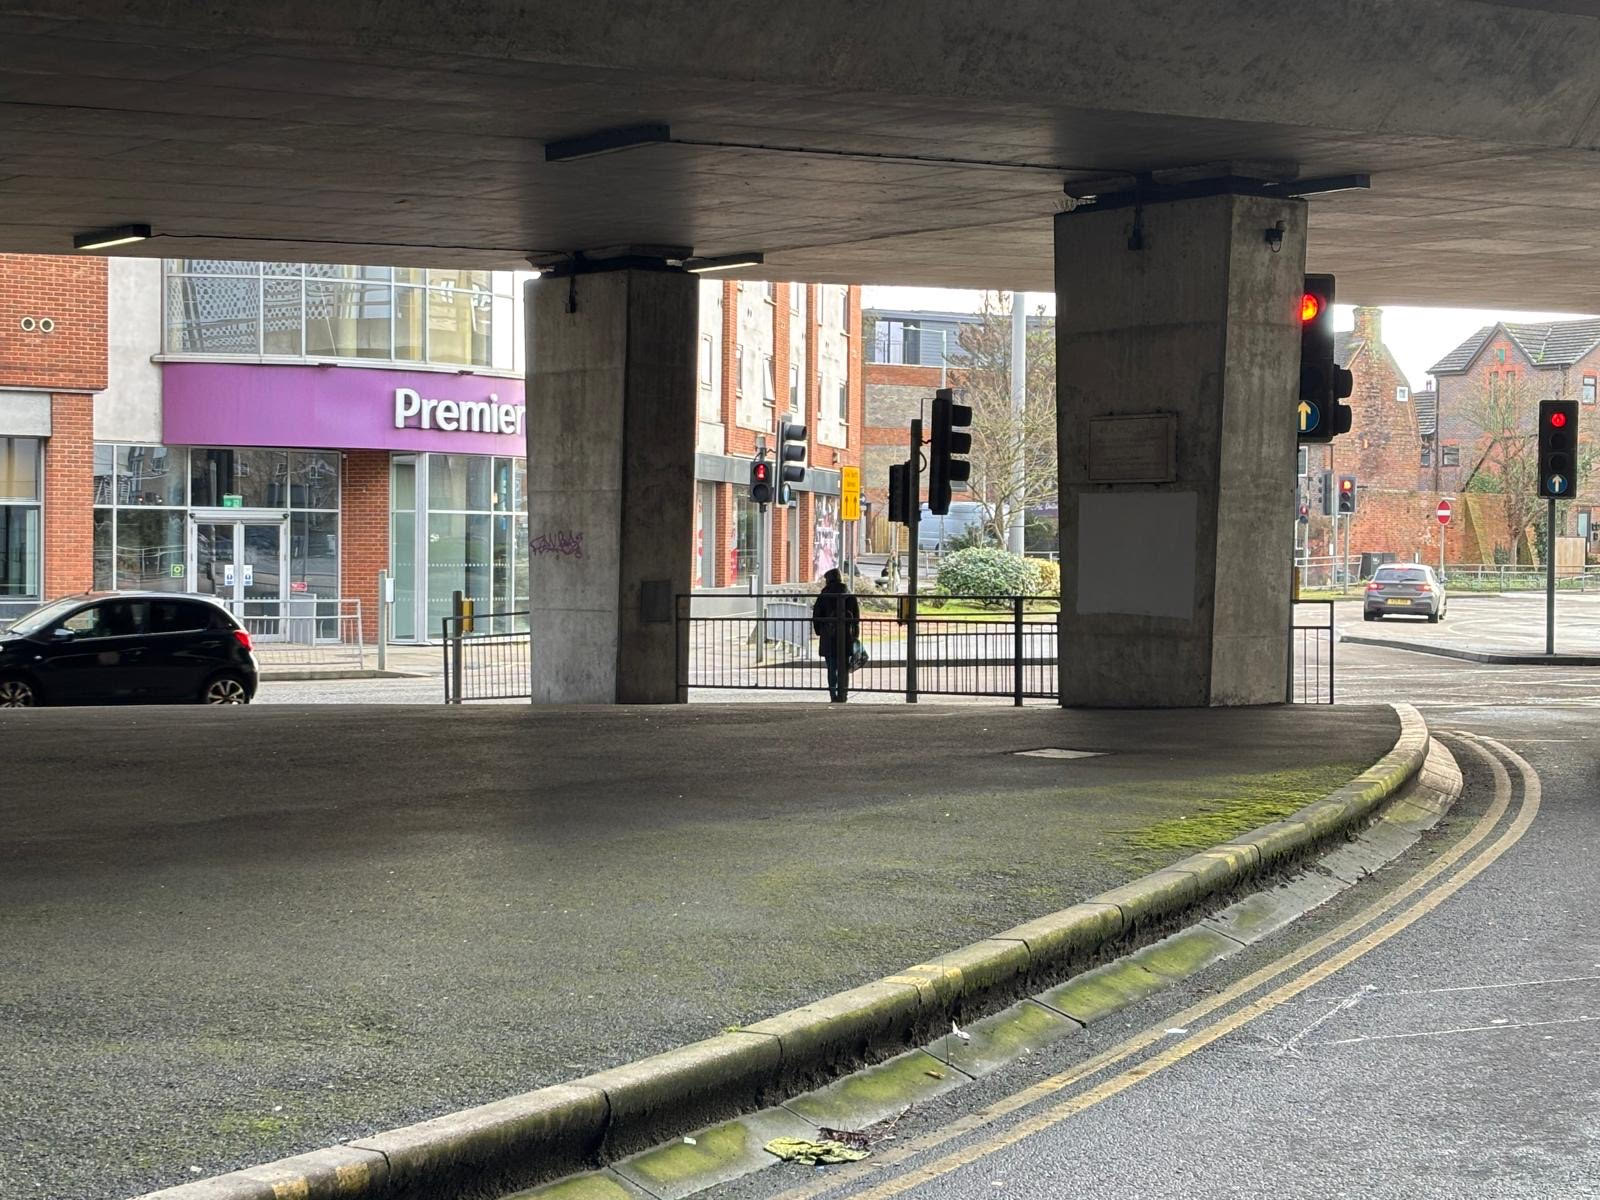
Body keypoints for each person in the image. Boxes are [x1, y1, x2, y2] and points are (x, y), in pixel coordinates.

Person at [811, 567, 861, 703]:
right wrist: (855, 635)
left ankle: (833, 694)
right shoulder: (849, 595)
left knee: (831, 667)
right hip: (846, 637)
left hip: (828, 637)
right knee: (844, 667)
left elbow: (816, 616)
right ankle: (843, 694)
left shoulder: (824, 596)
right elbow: (856, 618)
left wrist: (820, 631)